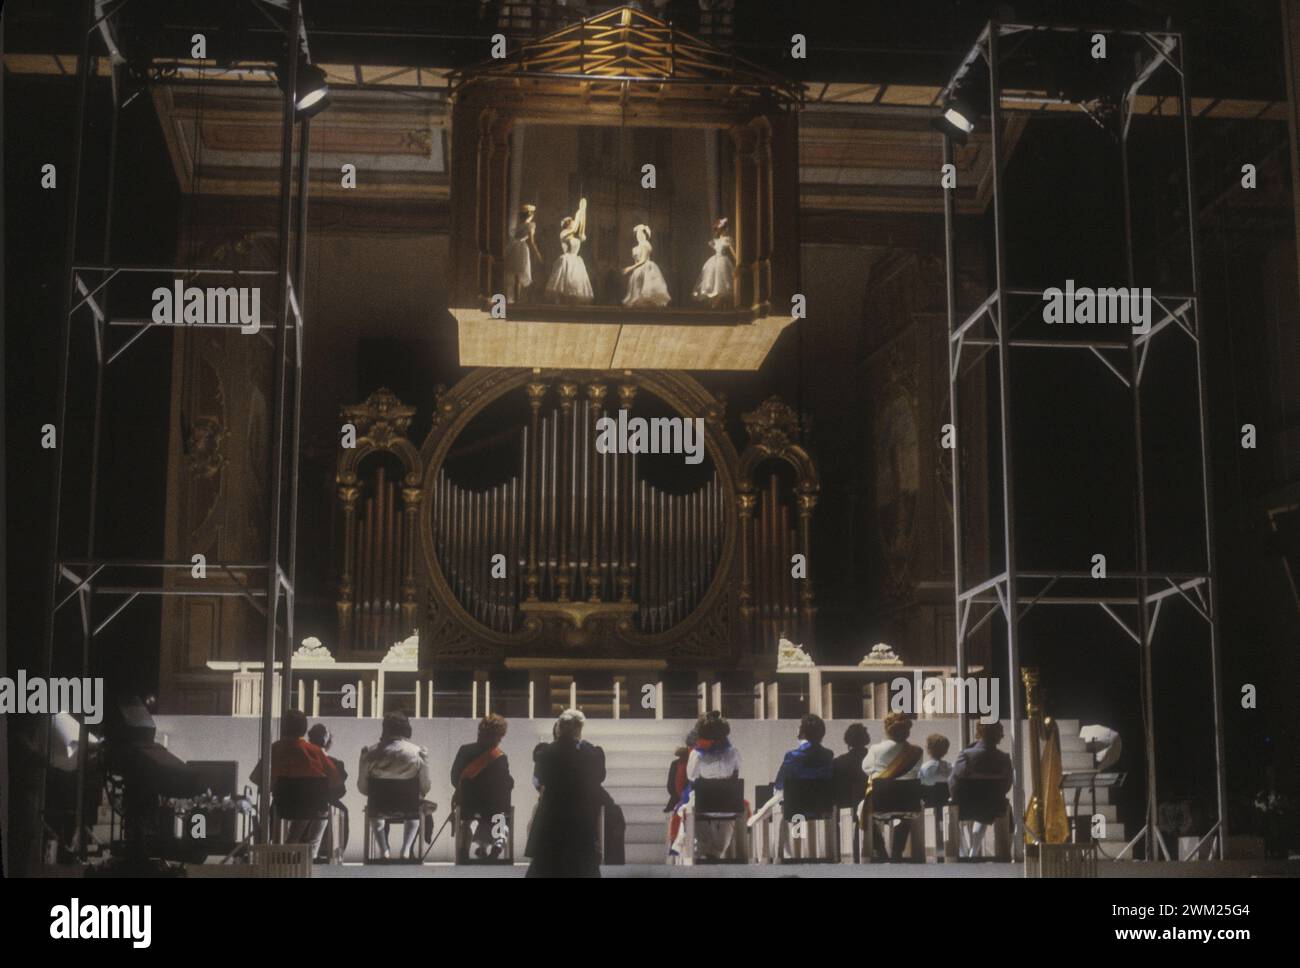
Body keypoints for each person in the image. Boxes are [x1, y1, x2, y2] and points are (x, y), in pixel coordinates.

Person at [248, 708, 341, 858]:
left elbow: (256, 778)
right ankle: (306, 856)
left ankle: (284, 851)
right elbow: (335, 779)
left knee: (292, 807)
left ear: (283, 728)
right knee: (309, 808)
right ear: (304, 729)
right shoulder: (315, 751)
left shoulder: (275, 749)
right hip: (312, 807)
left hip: (283, 806)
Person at [527, 708, 606, 877]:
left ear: (560, 728)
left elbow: (538, 780)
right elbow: (599, 777)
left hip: (552, 818)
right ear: (579, 729)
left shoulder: (546, 753)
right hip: (581, 818)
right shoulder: (592, 753)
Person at [358, 711, 432, 860]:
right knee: (416, 810)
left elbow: (363, 788)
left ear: (385, 728)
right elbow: (425, 787)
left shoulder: (369, 753)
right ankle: (406, 849)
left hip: (378, 807)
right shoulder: (418, 753)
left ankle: (384, 849)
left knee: (375, 810)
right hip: (409, 807)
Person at [673, 712, 742, 859]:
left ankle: (697, 849)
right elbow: (735, 776)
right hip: (727, 807)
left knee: (689, 807)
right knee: (720, 837)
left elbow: (692, 778)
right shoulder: (734, 753)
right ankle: (714, 852)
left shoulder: (697, 755)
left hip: (702, 805)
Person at [450, 714, 514, 860]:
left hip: (468, 805)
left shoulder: (465, 750)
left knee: (468, 819)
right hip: (493, 806)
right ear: (499, 736)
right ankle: (498, 841)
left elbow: (455, 777)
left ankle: (464, 848)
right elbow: (506, 783)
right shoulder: (499, 756)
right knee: (501, 814)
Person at [862, 712, 923, 861]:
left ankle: (881, 850)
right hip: (908, 802)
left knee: (863, 811)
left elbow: (866, 769)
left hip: (881, 801)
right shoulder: (917, 751)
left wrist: (883, 775)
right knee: (904, 816)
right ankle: (897, 852)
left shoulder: (876, 749)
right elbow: (916, 771)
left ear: (886, 728)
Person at [950, 721, 1013, 857]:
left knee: (950, 808)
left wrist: (955, 798)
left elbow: (954, 781)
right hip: (993, 805)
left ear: (979, 733)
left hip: (965, 805)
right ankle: (976, 851)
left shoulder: (966, 755)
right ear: (998, 736)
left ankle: (963, 852)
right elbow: (1007, 784)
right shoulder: (1004, 758)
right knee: (990, 810)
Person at [307, 723, 348, 862]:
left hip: (297, 803)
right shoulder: (335, 763)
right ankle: (334, 851)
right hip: (323, 806)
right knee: (341, 809)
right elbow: (340, 791)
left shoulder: (302, 759)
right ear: (327, 742)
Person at [544, 198, 594, 304]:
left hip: (576, 260)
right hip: (567, 260)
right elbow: (575, 228)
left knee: (575, 283)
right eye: (573, 221)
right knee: (565, 282)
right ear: (568, 224)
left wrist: (583, 211)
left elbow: (581, 231)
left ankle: (571, 304)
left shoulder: (576, 236)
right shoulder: (563, 233)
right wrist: (578, 212)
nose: (574, 222)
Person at [833, 723, 871, 862]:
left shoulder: (838, 762)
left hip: (845, 805)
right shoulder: (874, 760)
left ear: (847, 741)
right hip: (871, 805)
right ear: (866, 739)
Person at [774, 713, 834, 792]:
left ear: (802, 732)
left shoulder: (792, 756)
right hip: (821, 803)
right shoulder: (828, 755)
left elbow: (779, 785)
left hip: (796, 802)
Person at [622, 224, 672, 307]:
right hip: (637, 270)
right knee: (637, 294)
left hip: (646, 269)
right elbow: (636, 261)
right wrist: (633, 269)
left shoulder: (645, 245)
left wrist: (630, 268)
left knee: (646, 293)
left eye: (640, 233)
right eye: (637, 234)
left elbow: (643, 260)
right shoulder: (635, 248)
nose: (638, 236)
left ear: (644, 235)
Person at [692, 216, 736, 306]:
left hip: (723, 261)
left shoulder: (727, 239)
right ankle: (715, 305)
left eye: (724, 229)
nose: (723, 230)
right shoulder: (715, 241)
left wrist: (737, 259)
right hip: (715, 261)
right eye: (721, 229)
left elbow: (733, 252)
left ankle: (720, 305)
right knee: (715, 283)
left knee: (723, 284)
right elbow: (714, 247)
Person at [505, 203, 543, 303]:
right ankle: (517, 300)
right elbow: (531, 241)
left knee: (516, 274)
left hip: (513, 247)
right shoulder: (531, 225)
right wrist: (537, 253)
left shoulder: (519, 225)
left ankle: (516, 299)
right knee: (519, 274)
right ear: (530, 215)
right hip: (521, 248)